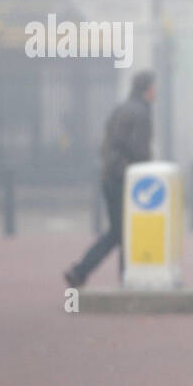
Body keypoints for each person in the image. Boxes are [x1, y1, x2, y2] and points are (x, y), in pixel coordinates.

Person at [64, 71, 155, 288]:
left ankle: (83, 272)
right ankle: (96, 273)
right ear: (148, 90)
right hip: (125, 179)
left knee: (120, 231)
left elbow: (107, 143)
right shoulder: (141, 113)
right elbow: (140, 151)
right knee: (124, 231)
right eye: (154, 88)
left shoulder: (121, 109)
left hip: (110, 176)